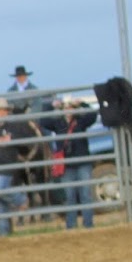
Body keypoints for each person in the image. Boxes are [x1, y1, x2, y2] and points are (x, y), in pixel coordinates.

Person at [41, 96, 101, 230]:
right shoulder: (58, 123)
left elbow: (92, 115)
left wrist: (83, 103)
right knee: (69, 197)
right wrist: (51, 106)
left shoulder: (81, 121)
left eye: (71, 107)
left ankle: (88, 224)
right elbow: (43, 121)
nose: (68, 110)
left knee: (85, 194)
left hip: (82, 162)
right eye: (65, 108)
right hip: (67, 165)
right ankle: (71, 225)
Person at [0, 99, 28, 236]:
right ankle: (3, 232)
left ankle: (21, 200)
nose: (1, 113)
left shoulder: (14, 127)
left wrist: (11, 139)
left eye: (3, 110)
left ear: (7, 112)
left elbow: (25, 144)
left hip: (8, 165)